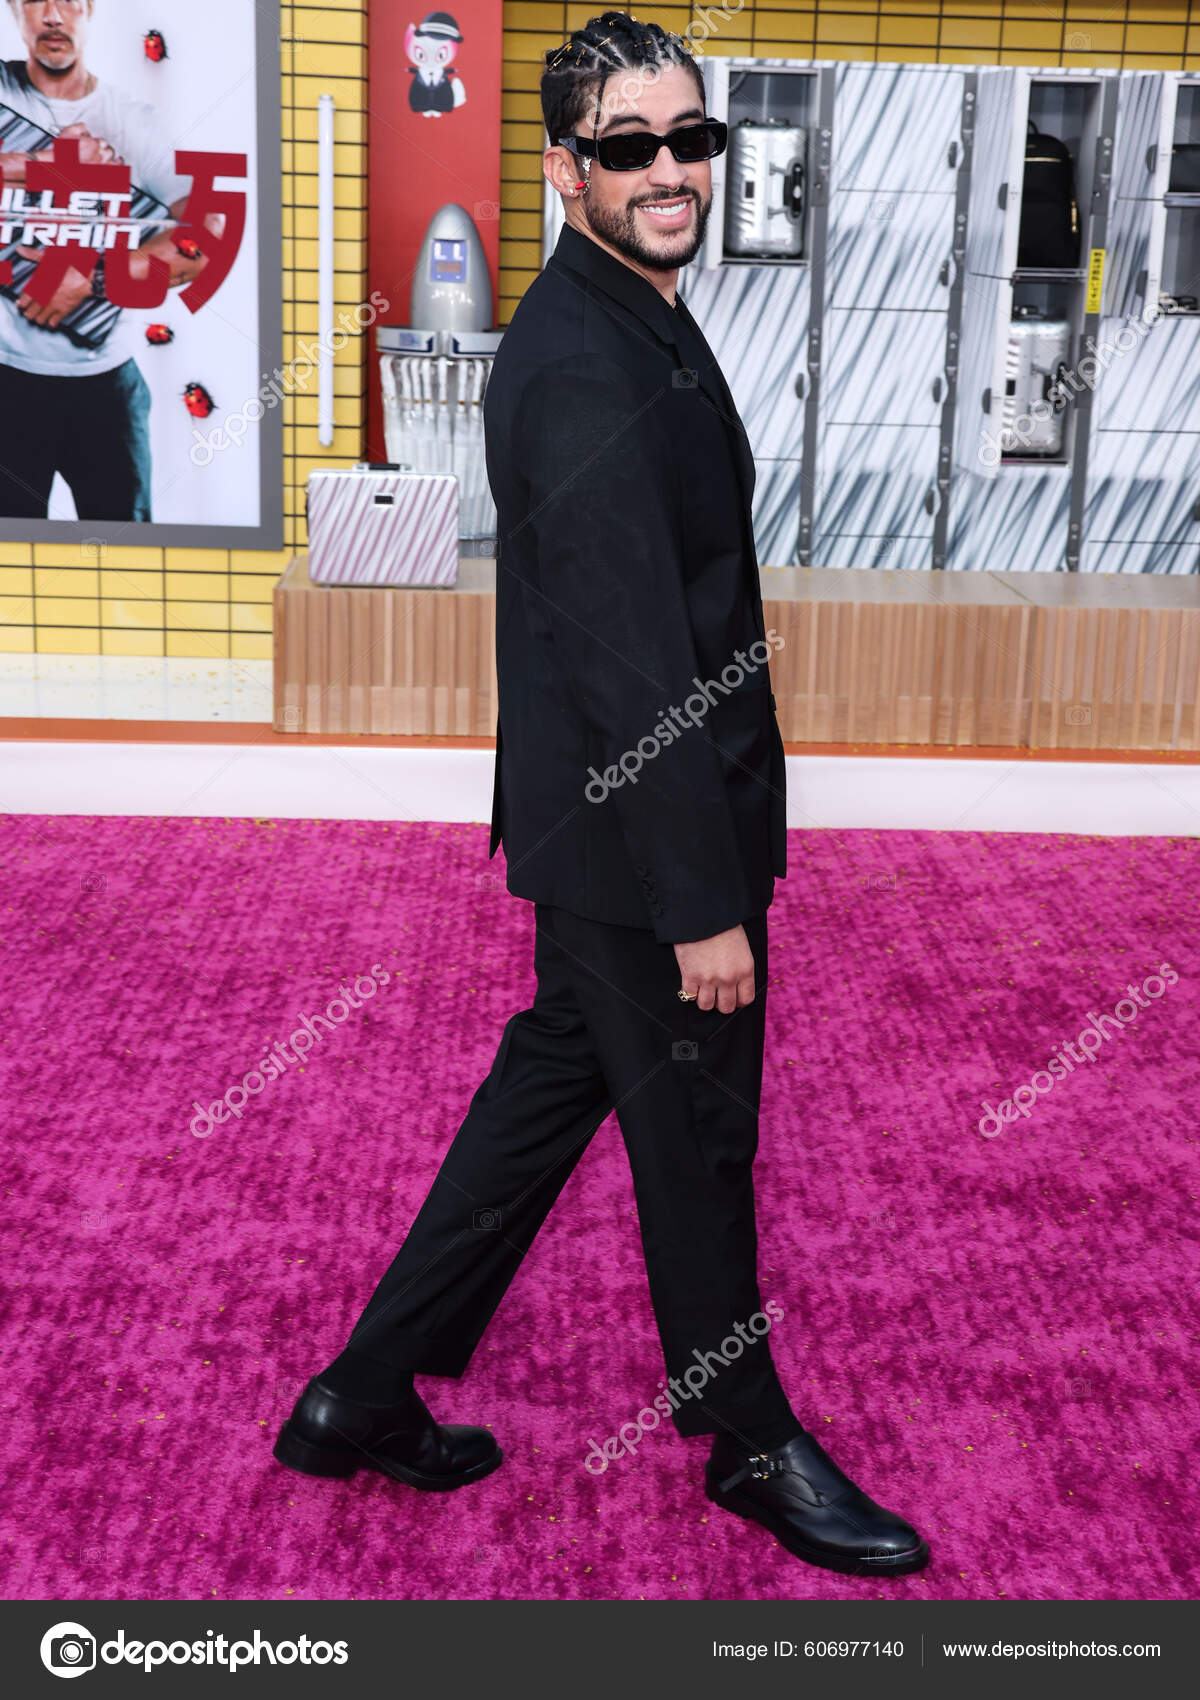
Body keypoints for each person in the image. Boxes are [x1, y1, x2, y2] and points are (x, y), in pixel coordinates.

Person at [274, 9, 930, 1579]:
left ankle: (357, 1396)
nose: (668, 171)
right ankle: (749, 1438)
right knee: (698, 1141)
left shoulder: (633, 312)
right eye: (629, 147)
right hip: (644, 850)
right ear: (567, 165)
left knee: (546, 1099)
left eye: (688, 140)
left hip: (602, 829)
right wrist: (703, 906)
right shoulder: (581, 357)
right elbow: (635, 653)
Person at [0, 0, 219, 520]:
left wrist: (93, 281)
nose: (53, 15)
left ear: (90, 9)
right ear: (13, 9)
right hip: (6, 383)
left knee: (127, 559)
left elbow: (204, 239)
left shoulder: (134, 122)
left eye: (69, 0)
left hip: (107, 389)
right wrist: (46, 168)